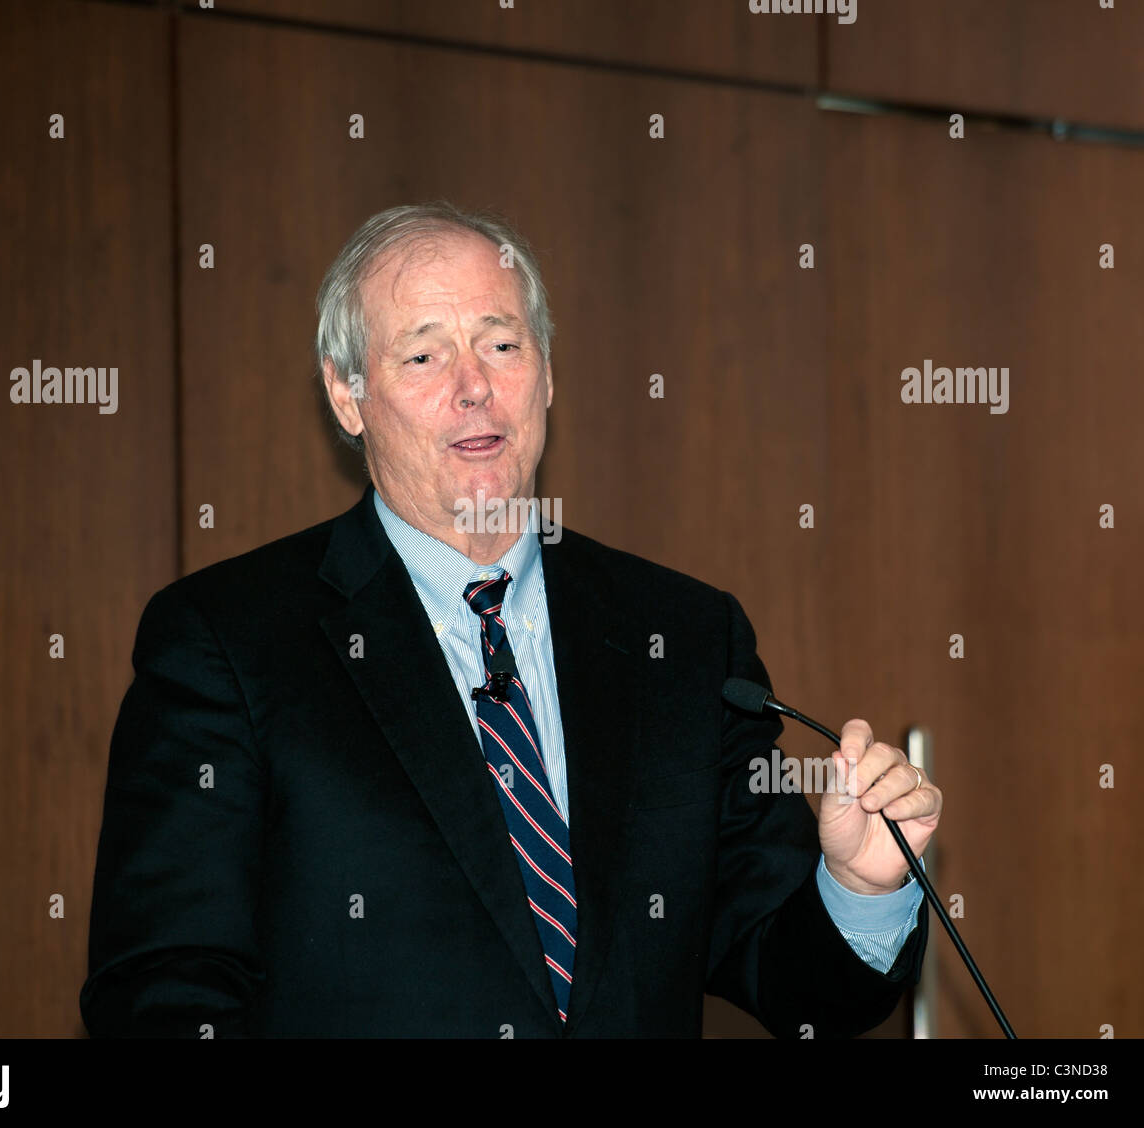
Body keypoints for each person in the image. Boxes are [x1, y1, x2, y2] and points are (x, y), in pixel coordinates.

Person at [79, 201, 940, 1038]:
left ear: (548, 374)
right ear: (348, 397)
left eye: (501, 344)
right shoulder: (227, 640)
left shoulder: (680, 636)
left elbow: (795, 990)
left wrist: (862, 889)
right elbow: (161, 990)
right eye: (423, 357)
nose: (475, 388)